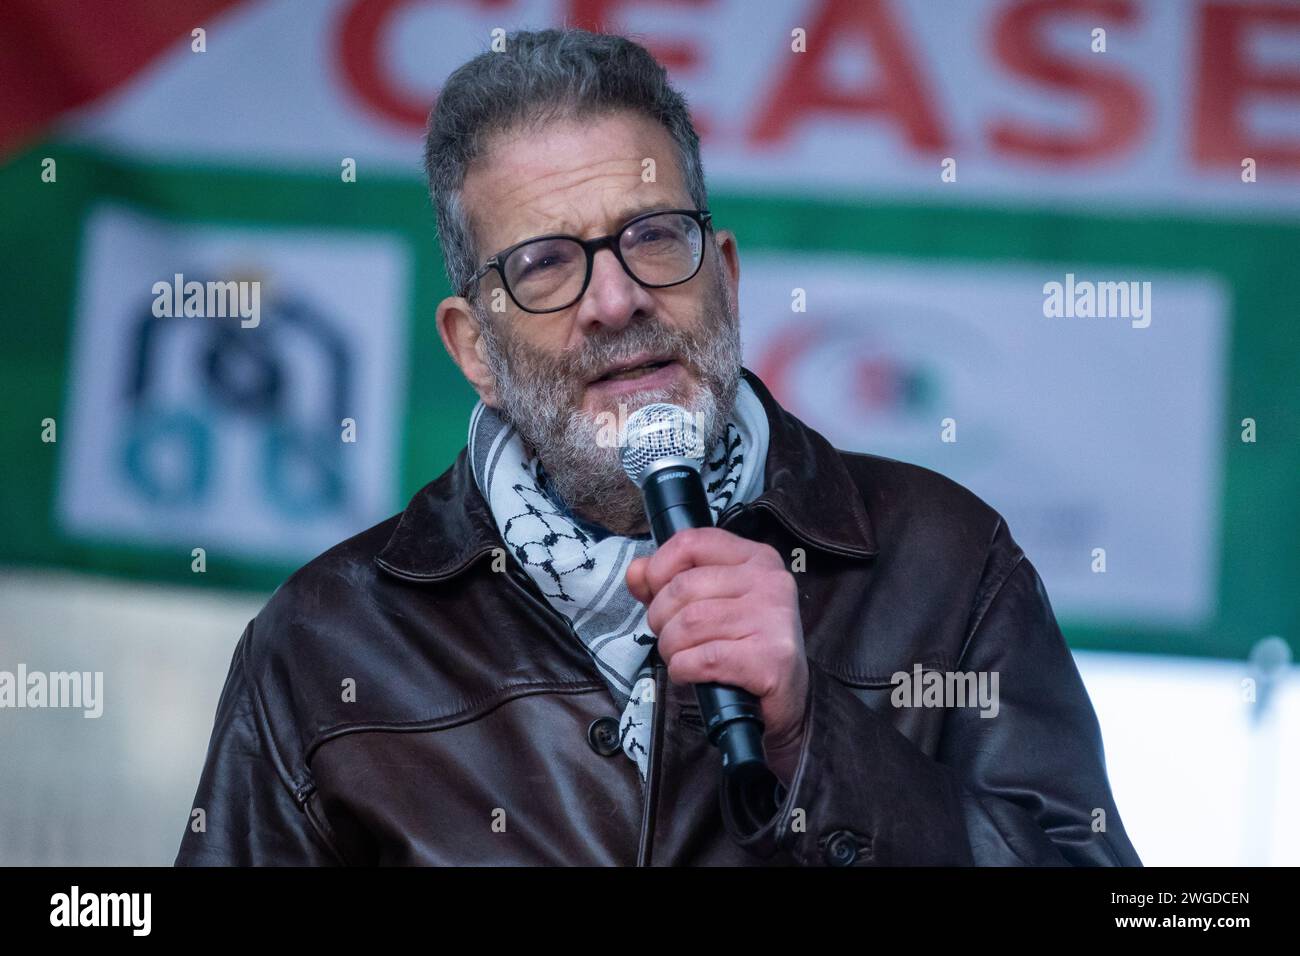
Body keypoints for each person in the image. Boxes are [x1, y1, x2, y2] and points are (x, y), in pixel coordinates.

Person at [175, 27, 1141, 866]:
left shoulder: (945, 561)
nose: (616, 299)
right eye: (545, 263)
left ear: (721, 276)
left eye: (652, 237)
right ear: (476, 348)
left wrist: (816, 740)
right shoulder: (326, 640)